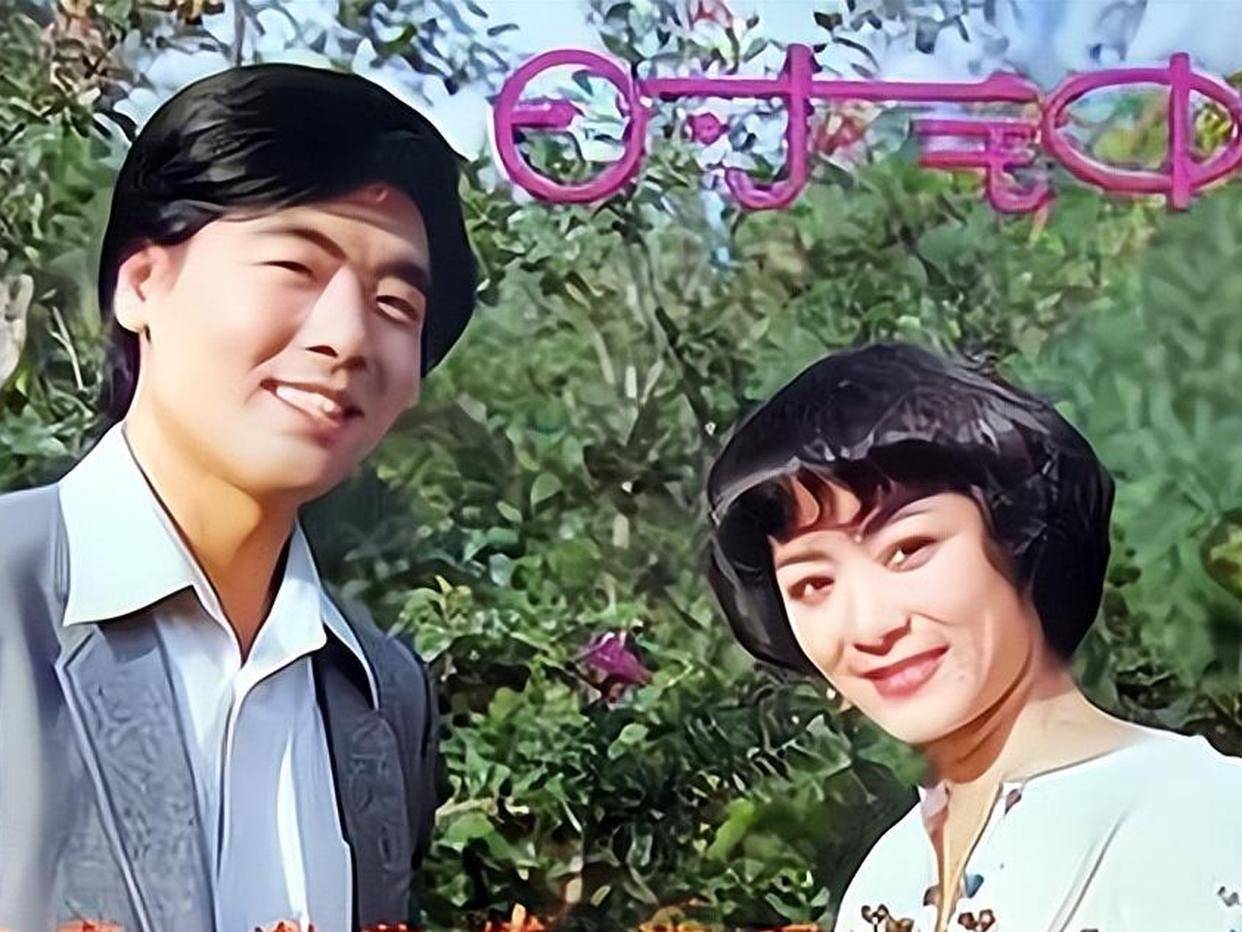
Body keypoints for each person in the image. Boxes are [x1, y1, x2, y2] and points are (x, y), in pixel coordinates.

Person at [0, 62, 476, 932]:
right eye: (295, 265)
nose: (347, 336)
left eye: (395, 303)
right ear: (142, 284)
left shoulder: (382, 696)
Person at [705, 342, 1242, 932]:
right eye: (812, 584)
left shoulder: (1200, 819)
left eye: (908, 549)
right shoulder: (885, 880)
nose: (870, 626)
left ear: (1020, 537)